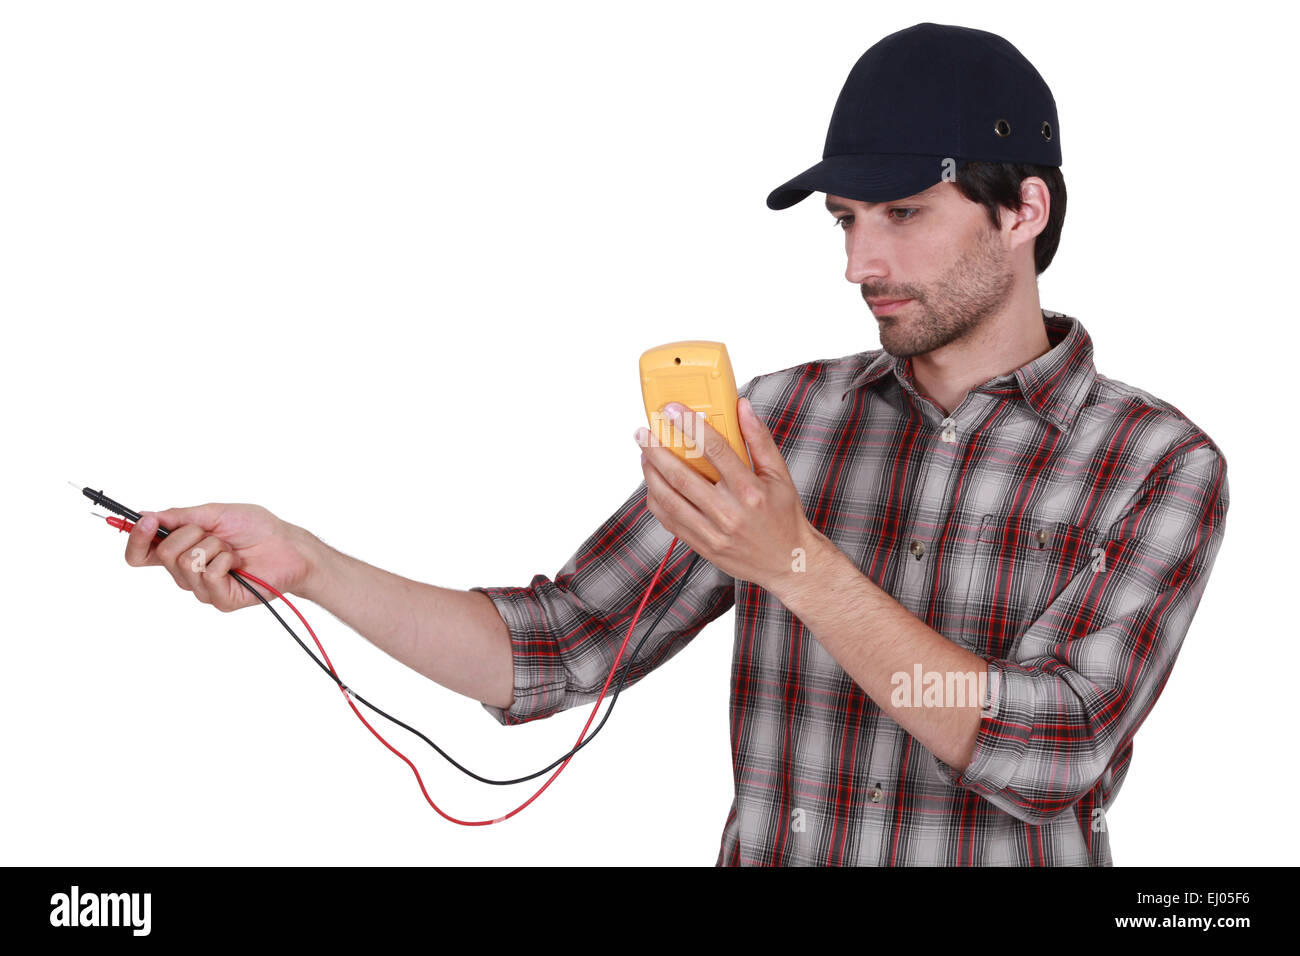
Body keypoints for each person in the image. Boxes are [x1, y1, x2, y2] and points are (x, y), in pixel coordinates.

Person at [124, 22, 1229, 866]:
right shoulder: (781, 419)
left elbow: (1049, 752)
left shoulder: (1157, 464)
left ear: (1023, 209)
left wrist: (792, 561)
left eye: (900, 213)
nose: (857, 264)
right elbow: (556, 644)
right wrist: (309, 562)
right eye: (845, 219)